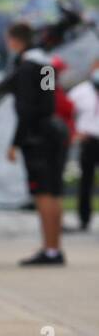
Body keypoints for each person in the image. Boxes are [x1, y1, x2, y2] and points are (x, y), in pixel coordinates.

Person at [4, 22, 69, 265]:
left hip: (38, 136)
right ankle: (54, 247)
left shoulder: (26, 67)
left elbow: (26, 109)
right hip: (53, 130)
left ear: (14, 41)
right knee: (54, 192)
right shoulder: (46, 64)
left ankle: (50, 250)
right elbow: (46, 98)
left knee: (43, 194)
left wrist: (15, 142)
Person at [66, 59, 99, 231]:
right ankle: (84, 218)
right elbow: (67, 112)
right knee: (86, 181)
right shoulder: (80, 91)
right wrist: (75, 133)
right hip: (89, 140)